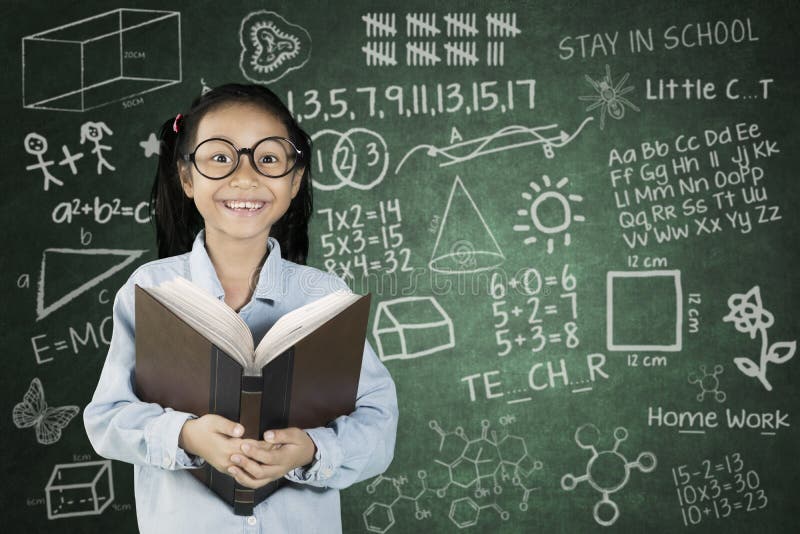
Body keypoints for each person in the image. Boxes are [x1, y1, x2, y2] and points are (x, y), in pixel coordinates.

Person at [83, 83, 399, 533]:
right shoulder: (150, 289)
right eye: (219, 157)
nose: (245, 177)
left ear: (295, 179)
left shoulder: (323, 296)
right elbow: (106, 418)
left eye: (268, 158)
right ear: (187, 178)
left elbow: (378, 425)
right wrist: (187, 435)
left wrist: (310, 449)